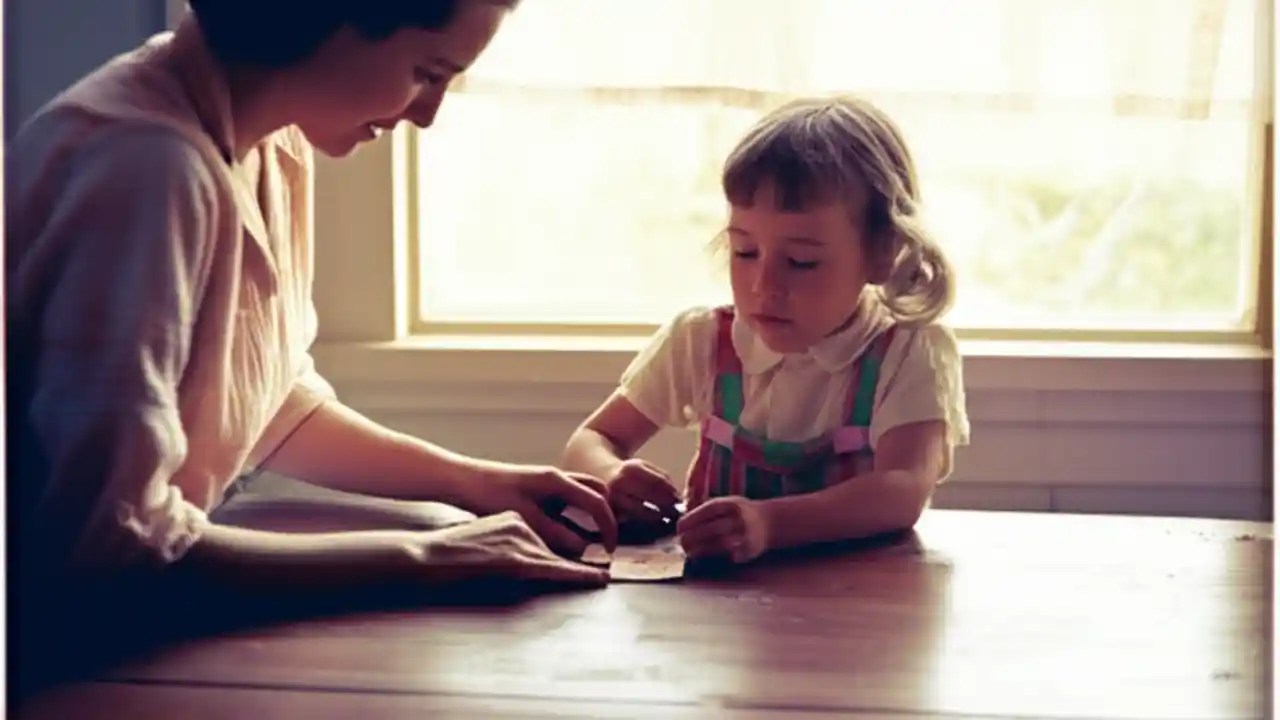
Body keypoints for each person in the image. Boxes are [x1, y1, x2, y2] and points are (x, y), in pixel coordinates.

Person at [6, 0, 621, 649]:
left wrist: (475, 483)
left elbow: (266, 397)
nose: (427, 113)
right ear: (332, 21)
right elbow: (104, 544)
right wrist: (427, 559)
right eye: (426, 71)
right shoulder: (148, 167)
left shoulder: (275, 138)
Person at [561, 96, 970, 565]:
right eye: (745, 252)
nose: (764, 285)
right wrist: (611, 476)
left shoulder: (911, 350)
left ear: (882, 251)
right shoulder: (700, 340)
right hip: (718, 617)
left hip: (857, 614)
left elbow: (902, 488)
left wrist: (769, 525)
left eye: (801, 261)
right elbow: (589, 442)